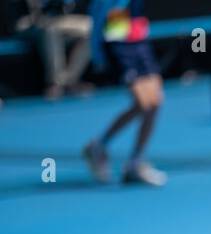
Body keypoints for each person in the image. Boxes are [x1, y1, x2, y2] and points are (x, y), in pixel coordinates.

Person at [82, 0, 165, 186]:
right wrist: (97, 53)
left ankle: (135, 163)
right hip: (118, 40)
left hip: (138, 37)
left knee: (156, 102)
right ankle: (99, 146)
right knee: (143, 103)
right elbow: (97, 15)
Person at [16, 1, 93, 101]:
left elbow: (87, 22)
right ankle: (56, 83)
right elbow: (23, 23)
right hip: (36, 31)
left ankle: (69, 80)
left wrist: (58, 22)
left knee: (90, 36)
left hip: (63, 28)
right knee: (51, 32)